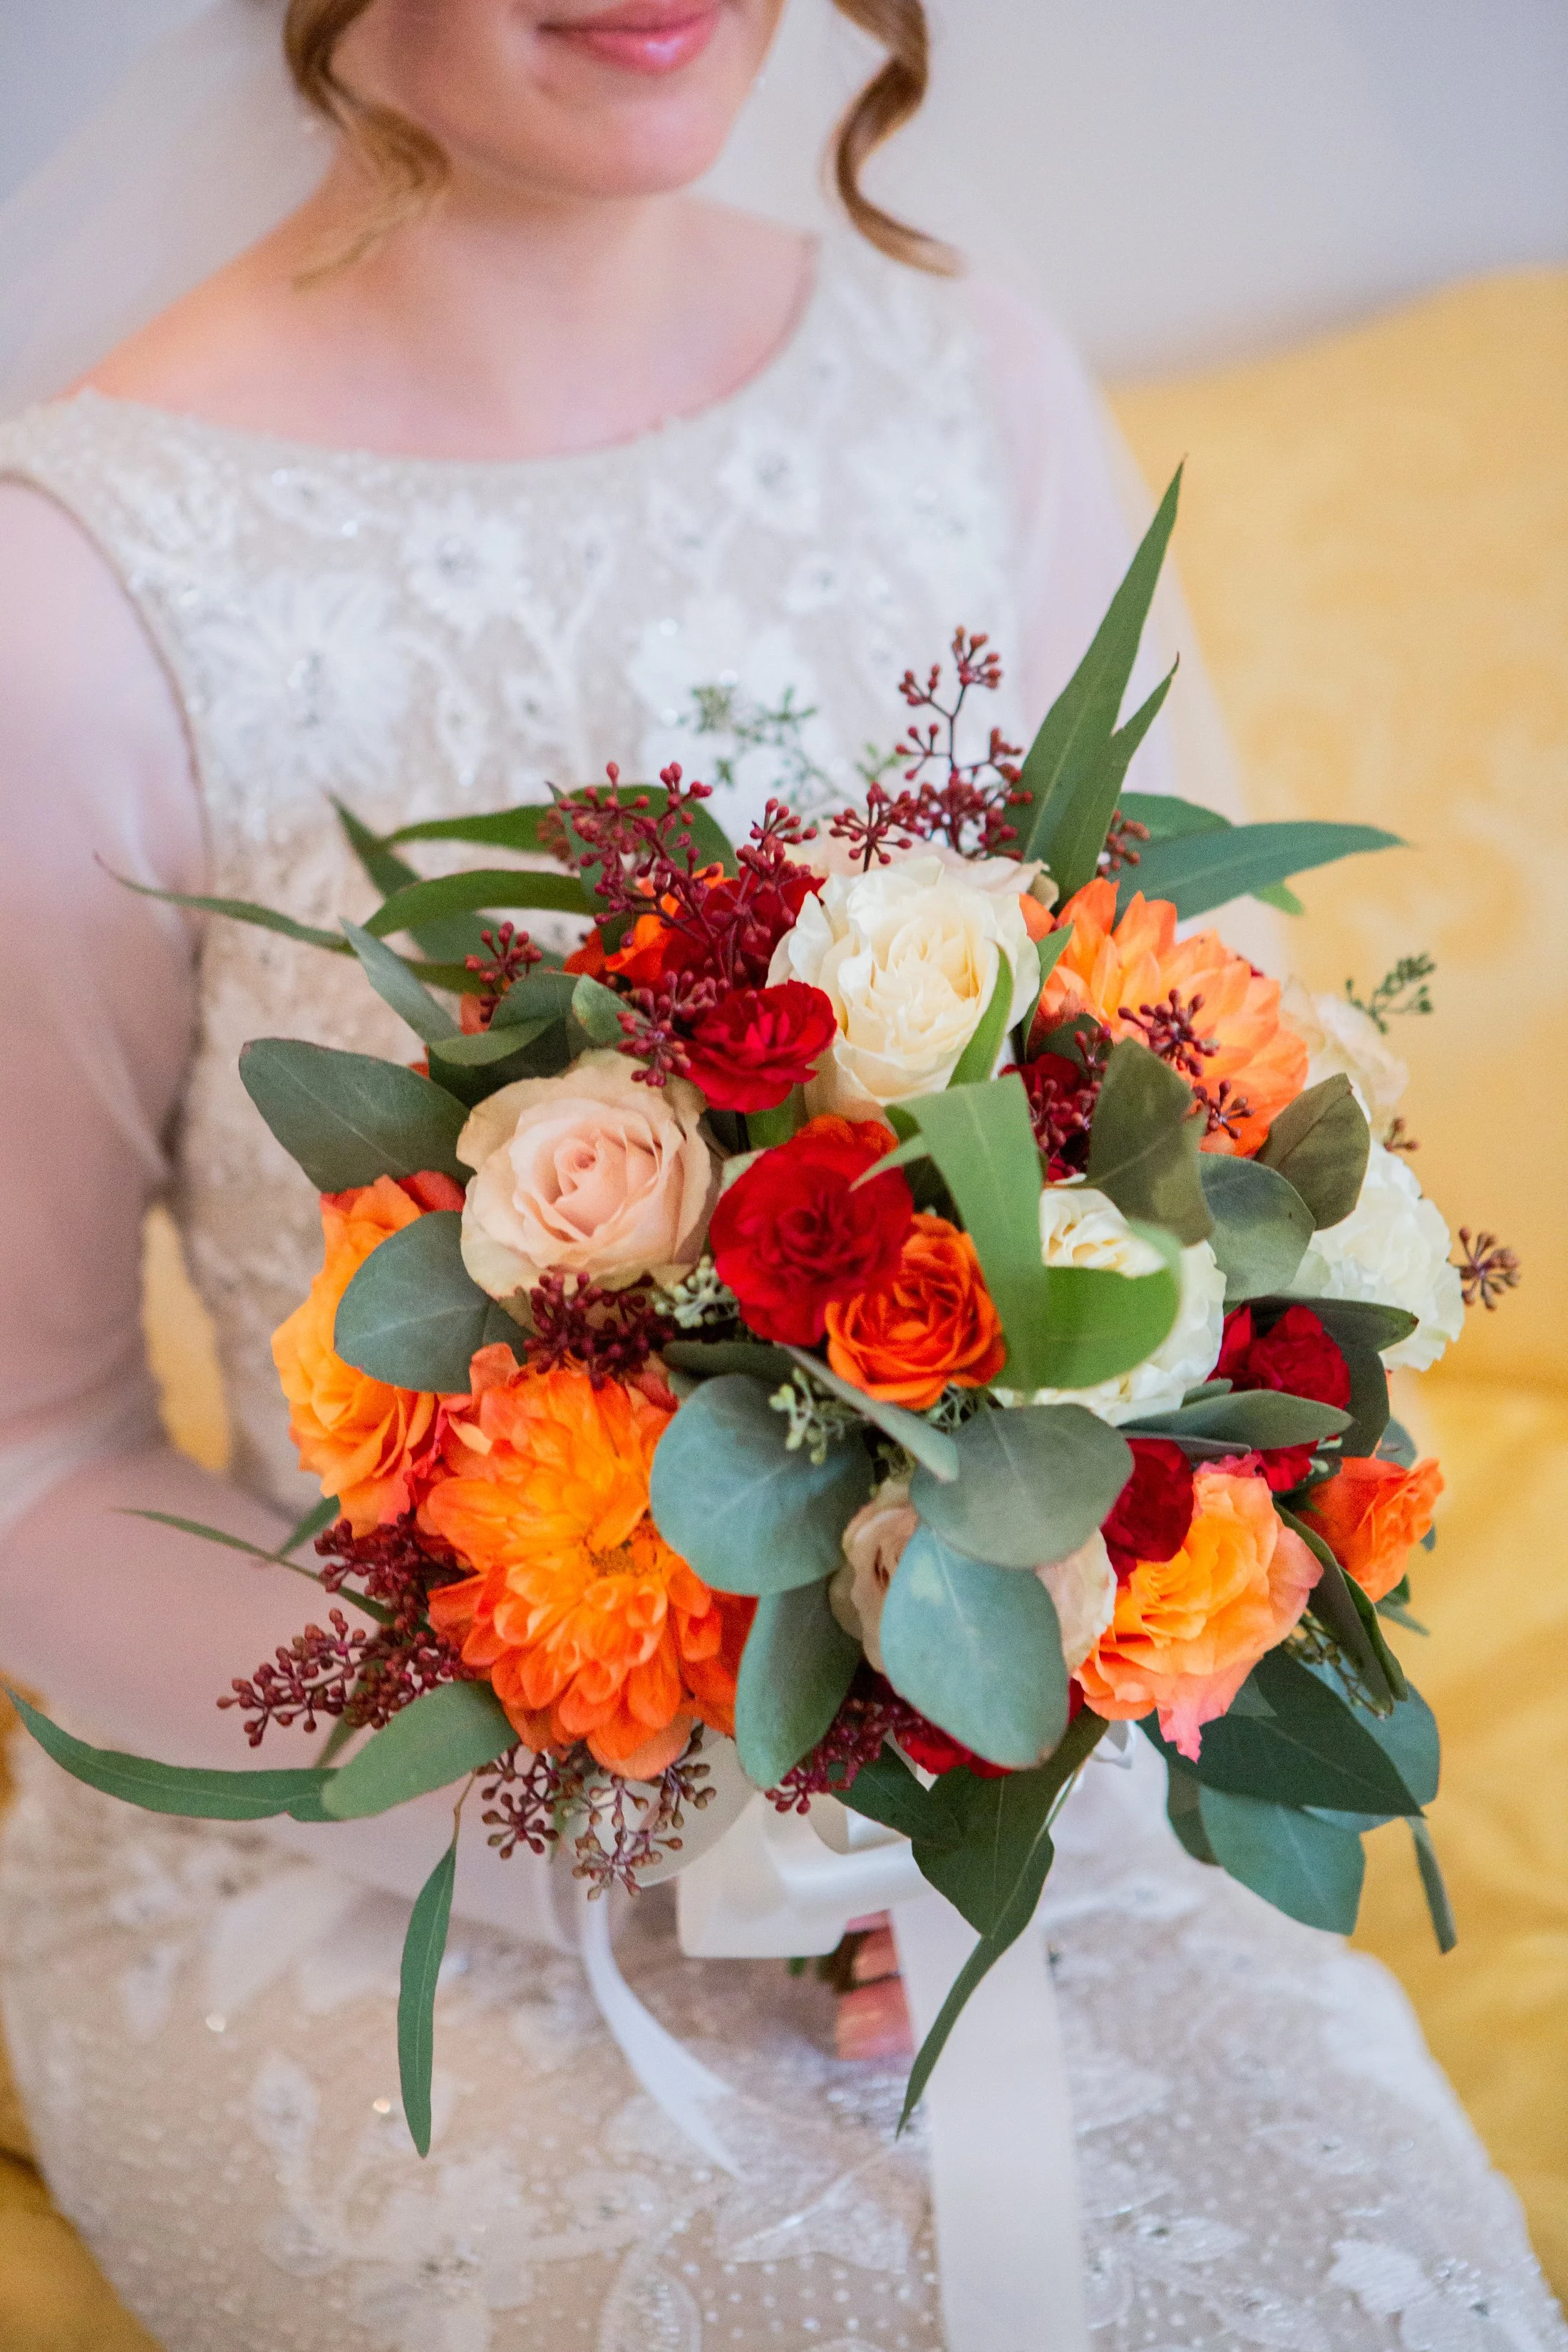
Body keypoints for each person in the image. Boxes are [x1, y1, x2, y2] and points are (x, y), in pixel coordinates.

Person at [0, 4, 1562, 2347]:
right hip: (392, 1824)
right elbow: (39, 1448)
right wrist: (604, 1815)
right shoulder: (83, 591)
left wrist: (1034, 1686)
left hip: (1020, 1767)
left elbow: (1226, 1138)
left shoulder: (958, 376)